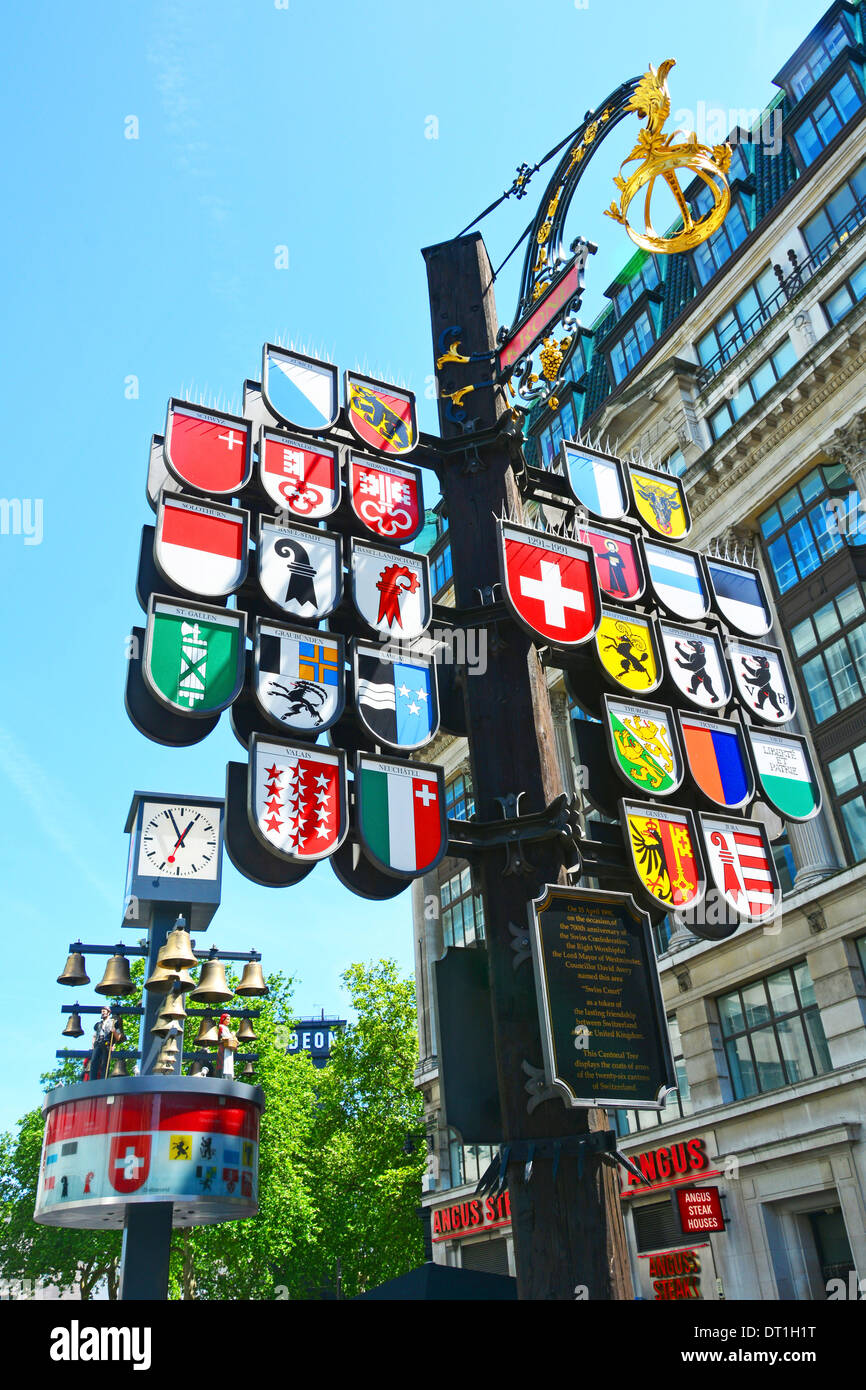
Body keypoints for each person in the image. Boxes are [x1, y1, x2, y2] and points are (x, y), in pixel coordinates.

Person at [90, 1007, 120, 1081]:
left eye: (104, 1011)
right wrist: (93, 1045)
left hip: (107, 1044)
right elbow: (94, 1035)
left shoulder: (113, 1023)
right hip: (98, 1043)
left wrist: (114, 1032)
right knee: (94, 1061)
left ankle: (104, 1079)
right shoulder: (98, 1024)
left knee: (105, 1062)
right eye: (101, 1012)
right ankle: (92, 1080)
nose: (102, 1013)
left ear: (108, 1013)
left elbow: (118, 1037)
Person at [217, 1013, 237, 1079]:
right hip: (224, 1049)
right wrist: (232, 1035)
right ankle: (225, 1076)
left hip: (228, 1048)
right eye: (227, 1019)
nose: (229, 1021)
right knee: (225, 1063)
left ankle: (229, 1076)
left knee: (228, 1063)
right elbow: (225, 1037)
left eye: (229, 1019)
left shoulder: (226, 1028)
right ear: (223, 1019)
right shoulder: (221, 1027)